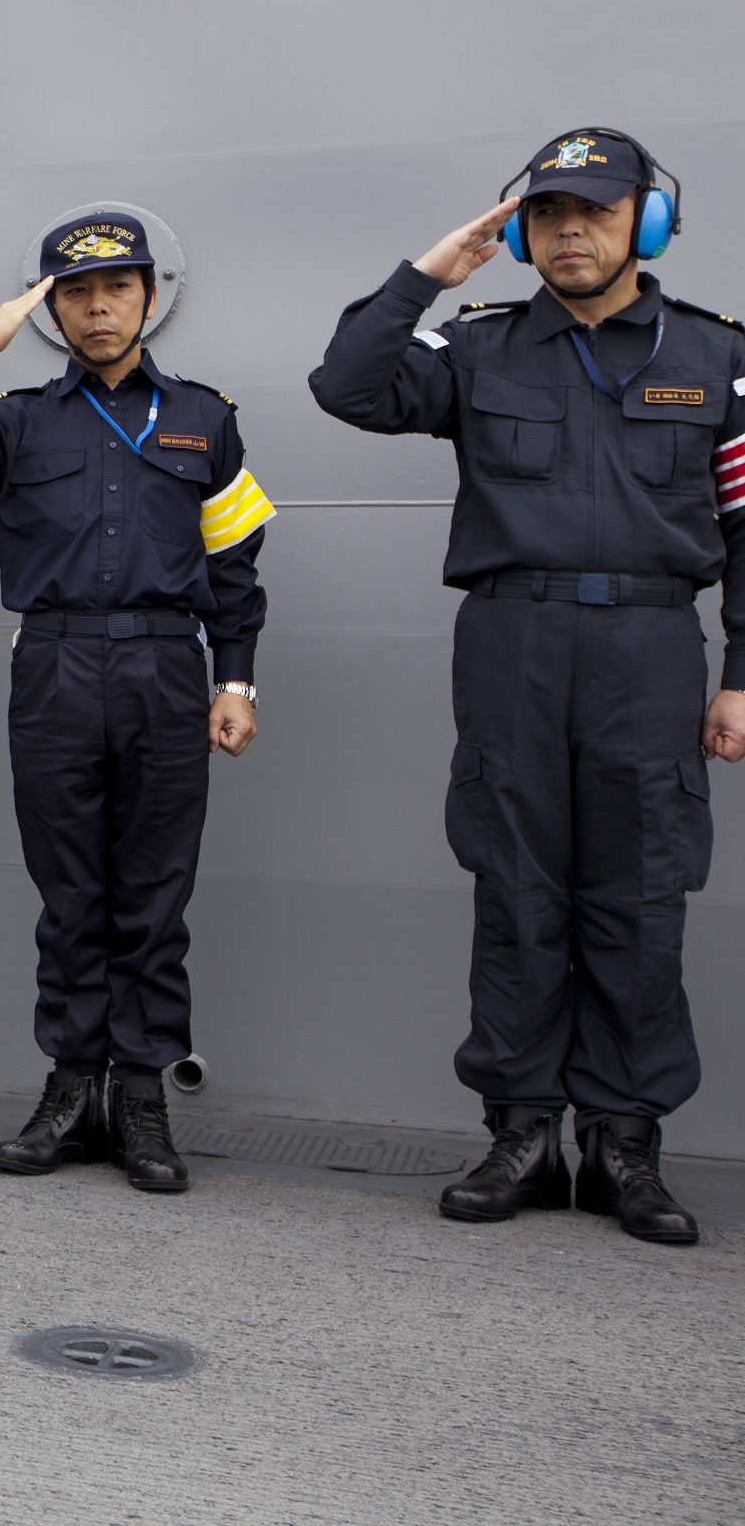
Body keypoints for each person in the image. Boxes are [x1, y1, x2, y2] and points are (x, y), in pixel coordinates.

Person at [309, 126, 735, 1245]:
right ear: (522, 229)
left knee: (641, 896)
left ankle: (626, 1144)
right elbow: (346, 387)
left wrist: (742, 673)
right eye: (547, 214)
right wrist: (424, 278)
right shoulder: (479, 347)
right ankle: (522, 1133)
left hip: (650, 649)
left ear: (644, 221)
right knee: (517, 888)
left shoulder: (716, 356)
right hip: (513, 642)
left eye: (594, 211)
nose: (570, 231)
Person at [0, 214, 271, 1194]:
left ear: (150, 298)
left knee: (153, 897)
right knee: (72, 896)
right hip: (56, 667)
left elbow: (237, 565)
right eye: (75, 293)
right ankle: (69, 1091)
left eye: (116, 290)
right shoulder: (21, 419)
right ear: (51, 309)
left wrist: (234, 679)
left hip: (165, 669)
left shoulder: (206, 417)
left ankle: (140, 1103)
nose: (98, 308)